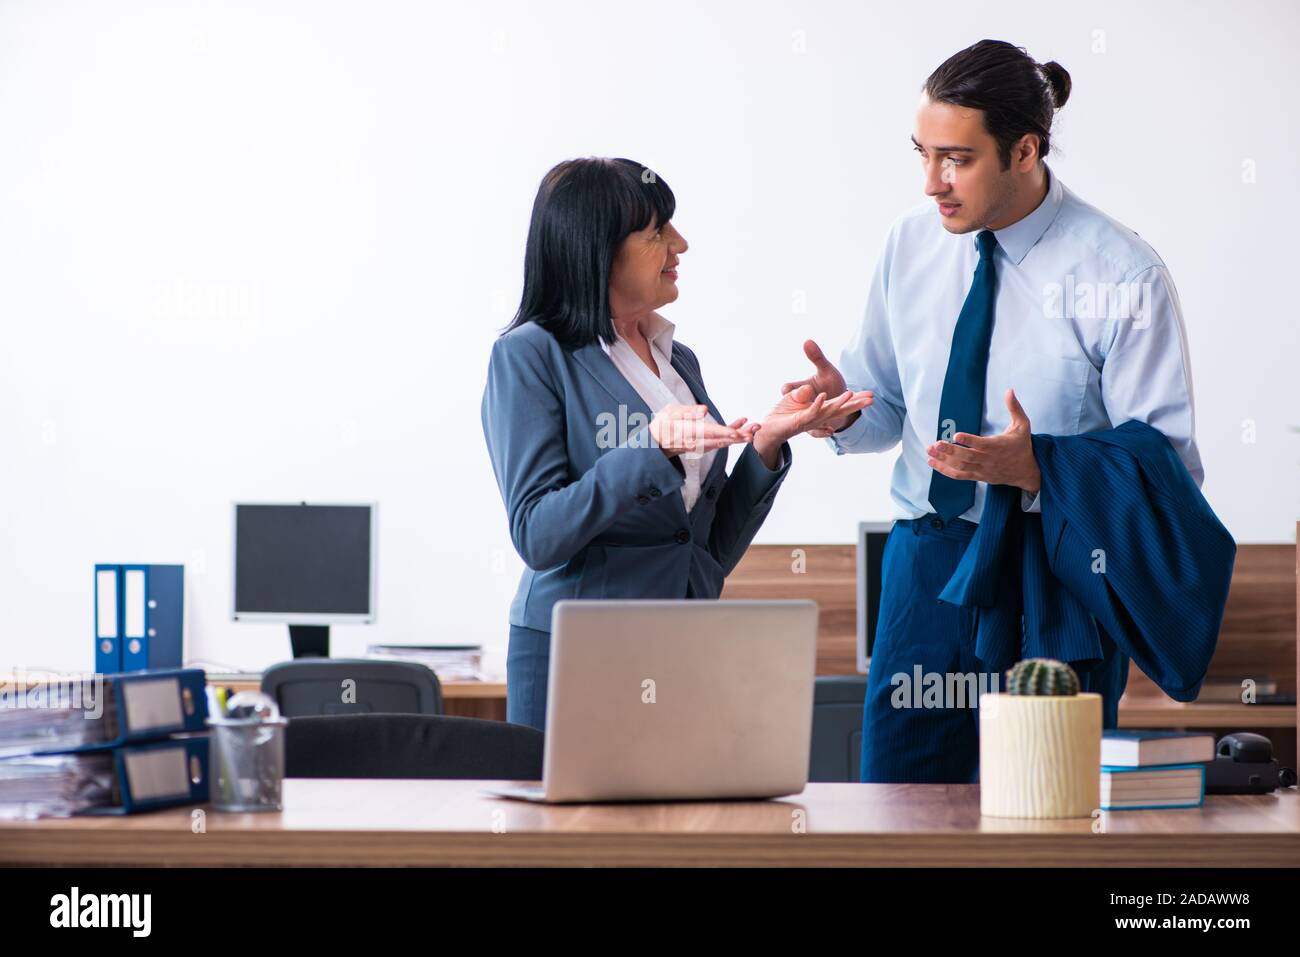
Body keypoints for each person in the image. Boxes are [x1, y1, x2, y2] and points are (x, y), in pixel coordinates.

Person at [780, 40, 1204, 783]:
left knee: (1047, 803)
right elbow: (892, 409)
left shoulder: (1122, 273)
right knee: (899, 807)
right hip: (929, 565)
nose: (932, 184)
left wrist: (1040, 466)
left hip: (1059, 571)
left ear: (1025, 150)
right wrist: (841, 413)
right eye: (922, 154)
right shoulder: (908, 246)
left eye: (957, 159)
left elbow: (1167, 466)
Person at [483, 157, 870, 730]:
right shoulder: (530, 354)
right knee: (576, 823)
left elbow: (703, 548)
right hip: (578, 654)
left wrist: (764, 444)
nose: (681, 244)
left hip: (683, 645)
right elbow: (537, 534)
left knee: (677, 819)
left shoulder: (676, 361)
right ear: (599, 248)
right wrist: (648, 449)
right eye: (659, 231)